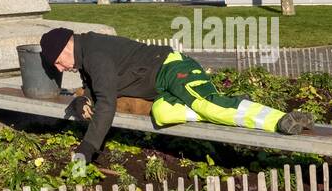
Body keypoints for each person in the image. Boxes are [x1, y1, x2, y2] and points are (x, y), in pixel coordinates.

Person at [38, 27, 312, 166]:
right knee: (163, 114)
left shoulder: (95, 55)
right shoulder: (86, 55)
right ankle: (230, 101)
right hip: (161, 90)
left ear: (66, 46)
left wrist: (86, 149)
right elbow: (97, 91)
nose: (62, 69)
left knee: (207, 106)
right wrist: (82, 99)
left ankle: (280, 120)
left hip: (173, 69)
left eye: (58, 63)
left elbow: (107, 103)